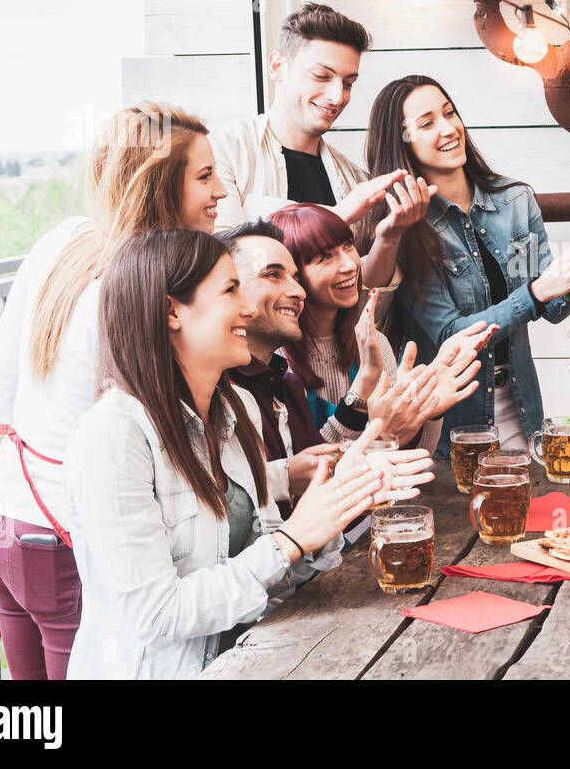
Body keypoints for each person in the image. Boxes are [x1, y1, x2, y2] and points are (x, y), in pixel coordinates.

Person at [64, 229, 387, 679]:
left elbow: (274, 575)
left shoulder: (239, 409)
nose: (249, 308)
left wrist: (332, 506)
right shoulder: (113, 435)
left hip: (253, 659)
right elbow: (158, 615)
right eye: (231, 290)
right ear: (170, 310)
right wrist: (291, 540)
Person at [0, 102, 227, 681]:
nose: (221, 190)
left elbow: (1, 379)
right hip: (64, 542)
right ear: (162, 188)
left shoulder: (63, 241)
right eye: (204, 176)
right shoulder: (144, 288)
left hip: (3, 522)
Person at [360, 75, 570, 455]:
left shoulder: (515, 202)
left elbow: (553, 307)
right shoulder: (407, 230)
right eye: (427, 123)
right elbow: (450, 335)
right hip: (450, 416)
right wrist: (537, 291)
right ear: (402, 141)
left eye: (449, 113)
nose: (448, 128)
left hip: (522, 400)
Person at [207, 2, 430, 324]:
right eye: (321, 76)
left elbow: (364, 306)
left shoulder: (354, 180)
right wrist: (337, 217)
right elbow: (222, 260)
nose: (337, 96)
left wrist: (389, 237)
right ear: (277, 67)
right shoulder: (224, 150)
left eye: (349, 82)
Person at [217, 217, 446, 517]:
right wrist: (376, 431)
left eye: (348, 245)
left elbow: (319, 485)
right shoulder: (225, 384)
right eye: (273, 274)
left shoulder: (283, 381)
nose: (297, 291)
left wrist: (426, 406)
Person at [268, 203, 491, 453]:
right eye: (325, 257)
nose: (350, 265)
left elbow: (415, 453)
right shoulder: (275, 358)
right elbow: (304, 470)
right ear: (292, 276)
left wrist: (425, 409)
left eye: (348, 246)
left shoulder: (374, 342)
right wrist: (364, 389)